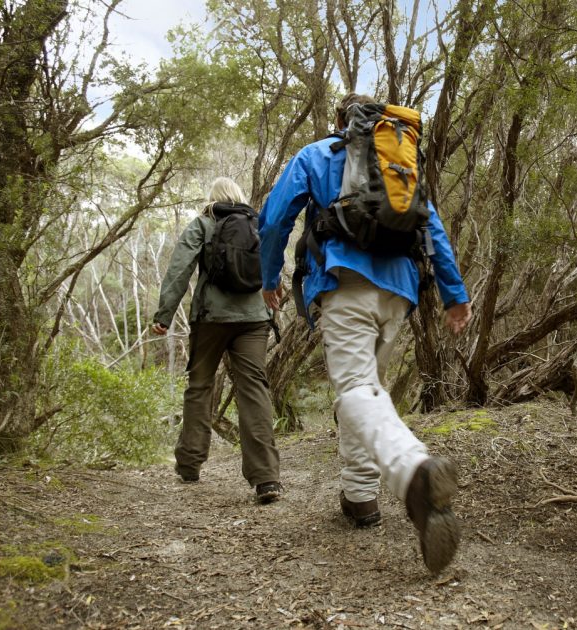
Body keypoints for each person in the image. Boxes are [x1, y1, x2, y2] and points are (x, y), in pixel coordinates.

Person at [258, 93, 472, 573]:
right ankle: (360, 498)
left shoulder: (318, 154)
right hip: (398, 291)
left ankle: (414, 471)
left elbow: (274, 220)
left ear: (340, 121)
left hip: (345, 281)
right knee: (365, 390)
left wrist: (267, 276)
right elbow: (431, 226)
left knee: (354, 387)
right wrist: (455, 294)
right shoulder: (400, 166)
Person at [151, 177, 283, 505]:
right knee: (253, 388)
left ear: (212, 199)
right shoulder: (257, 223)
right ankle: (266, 478)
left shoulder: (203, 224)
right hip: (254, 319)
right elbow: (276, 264)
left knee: (199, 386)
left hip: (210, 319)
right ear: (239, 197)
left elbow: (179, 269)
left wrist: (164, 315)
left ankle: (190, 464)